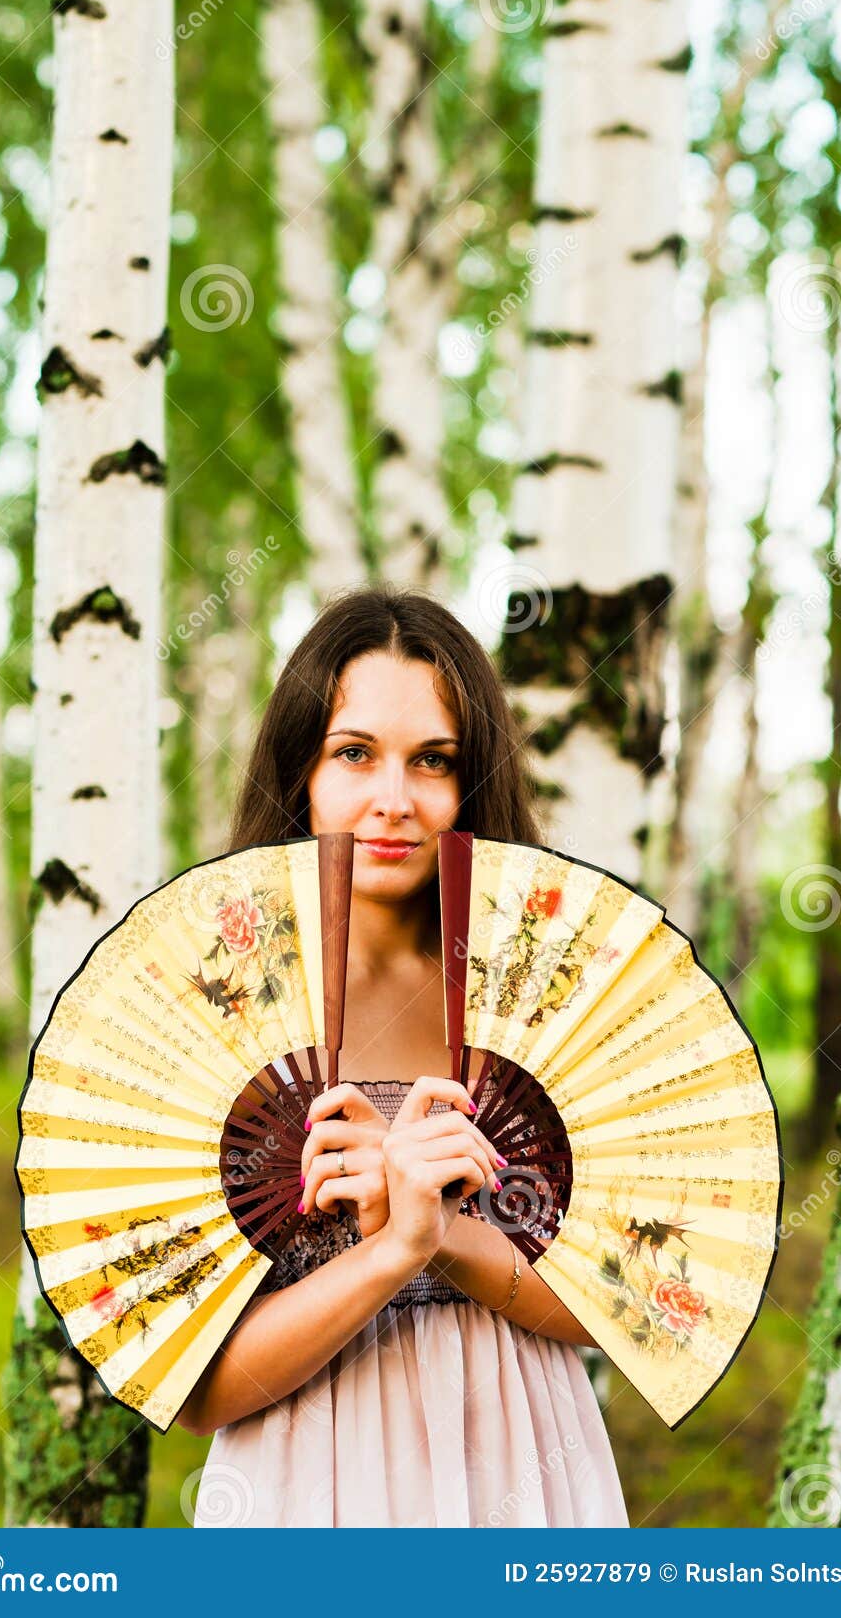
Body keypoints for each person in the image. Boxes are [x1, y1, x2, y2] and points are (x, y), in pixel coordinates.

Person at [178, 585, 628, 1528]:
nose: (393, 801)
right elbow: (199, 1395)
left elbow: (612, 1309)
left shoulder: (543, 998)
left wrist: (451, 1238)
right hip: (308, 1477)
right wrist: (391, 1252)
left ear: (473, 782)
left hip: (522, 1457)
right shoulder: (211, 1010)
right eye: (353, 754)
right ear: (299, 772)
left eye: (433, 761)